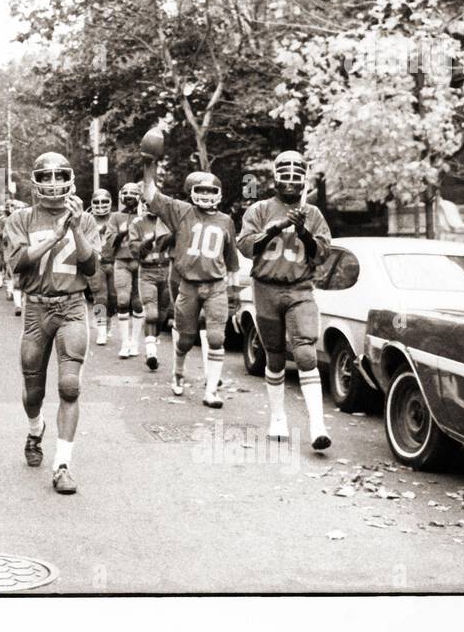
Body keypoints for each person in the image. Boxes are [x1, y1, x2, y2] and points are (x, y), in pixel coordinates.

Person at [1, 152, 100, 495]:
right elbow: (18, 263)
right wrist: (56, 236)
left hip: (72, 306)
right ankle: (35, 427)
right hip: (36, 308)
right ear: (37, 182)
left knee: (70, 386)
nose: (54, 183)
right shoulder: (21, 218)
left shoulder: (83, 219)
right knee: (33, 391)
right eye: (46, 177)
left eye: (60, 176)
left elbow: (91, 268)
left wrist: (73, 228)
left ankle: (62, 465)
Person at [236, 150, 333, 450]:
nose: (290, 184)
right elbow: (245, 247)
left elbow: (322, 254)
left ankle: (317, 423)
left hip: (299, 288)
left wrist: (303, 232)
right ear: (275, 178)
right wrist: (276, 228)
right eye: (285, 177)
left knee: (305, 353)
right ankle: (278, 417)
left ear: (303, 182)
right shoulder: (260, 209)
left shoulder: (314, 214)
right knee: (275, 355)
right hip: (265, 287)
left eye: (296, 178)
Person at [138, 147, 241, 407]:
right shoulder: (182, 211)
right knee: (185, 339)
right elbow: (150, 193)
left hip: (216, 285)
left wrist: (235, 292)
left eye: (211, 191)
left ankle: (211, 391)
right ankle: (179, 371)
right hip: (189, 286)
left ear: (219, 194)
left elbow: (232, 259)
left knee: (217, 337)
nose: (206, 196)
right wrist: (149, 163)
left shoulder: (226, 220)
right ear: (192, 193)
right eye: (201, 191)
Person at [129, 203, 175, 371]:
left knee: (162, 315)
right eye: (146, 203)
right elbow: (135, 250)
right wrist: (149, 241)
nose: (150, 206)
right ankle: (151, 353)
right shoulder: (136, 223)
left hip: (166, 269)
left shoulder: (168, 220)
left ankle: (152, 341)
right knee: (151, 313)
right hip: (147, 270)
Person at [109, 183, 145, 358]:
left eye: (134, 193)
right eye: (127, 193)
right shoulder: (115, 217)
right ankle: (121, 340)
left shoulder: (144, 217)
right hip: (118, 261)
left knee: (138, 302)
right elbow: (108, 242)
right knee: (119, 300)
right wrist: (121, 234)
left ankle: (134, 341)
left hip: (140, 262)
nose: (130, 196)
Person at [88, 189, 116, 346]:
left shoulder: (115, 218)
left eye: (104, 202)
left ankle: (108, 320)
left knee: (114, 297)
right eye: (97, 202)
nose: (100, 205)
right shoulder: (88, 219)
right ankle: (101, 328)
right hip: (96, 261)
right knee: (100, 296)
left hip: (114, 261)